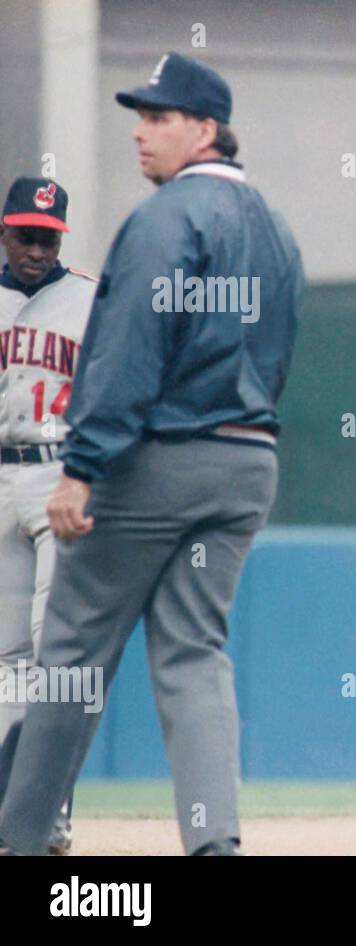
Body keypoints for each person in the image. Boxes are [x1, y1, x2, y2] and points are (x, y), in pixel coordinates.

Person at [0, 51, 303, 856]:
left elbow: (125, 352)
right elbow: (277, 355)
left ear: (207, 130)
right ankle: (214, 845)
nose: (141, 133)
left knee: (69, 652)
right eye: (139, 116)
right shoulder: (275, 228)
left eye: (158, 117)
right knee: (192, 654)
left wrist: (86, 465)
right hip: (248, 462)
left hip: (158, 461)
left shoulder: (165, 219)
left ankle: (21, 840)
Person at [0, 176, 97, 854]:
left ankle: (48, 813)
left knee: (52, 653)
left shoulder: (89, 299)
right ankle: (16, 817)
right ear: (4, 232)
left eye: (47, 237)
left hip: (61, 473)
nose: (36, 247)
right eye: (24, 234)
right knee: (6, 661)